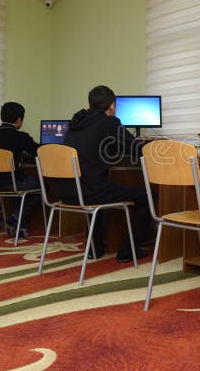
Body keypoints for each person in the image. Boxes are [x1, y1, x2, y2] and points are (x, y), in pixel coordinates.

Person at [58, 85, 150, 262]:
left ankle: (96, 248)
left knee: (96, 182)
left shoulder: (74, 125)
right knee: (148, 195)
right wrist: (158, 147)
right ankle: (127, 251)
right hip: (90, 193)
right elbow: (136, 149)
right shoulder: (109, 123)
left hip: (68, 192)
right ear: (112, 105)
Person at [0, 102, 42, 238]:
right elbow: (38, 151)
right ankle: (15, 217)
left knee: (22, 187)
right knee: (41, 188)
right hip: (13, 182)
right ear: (19, 120)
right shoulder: (21, 137)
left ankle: (20, 226)